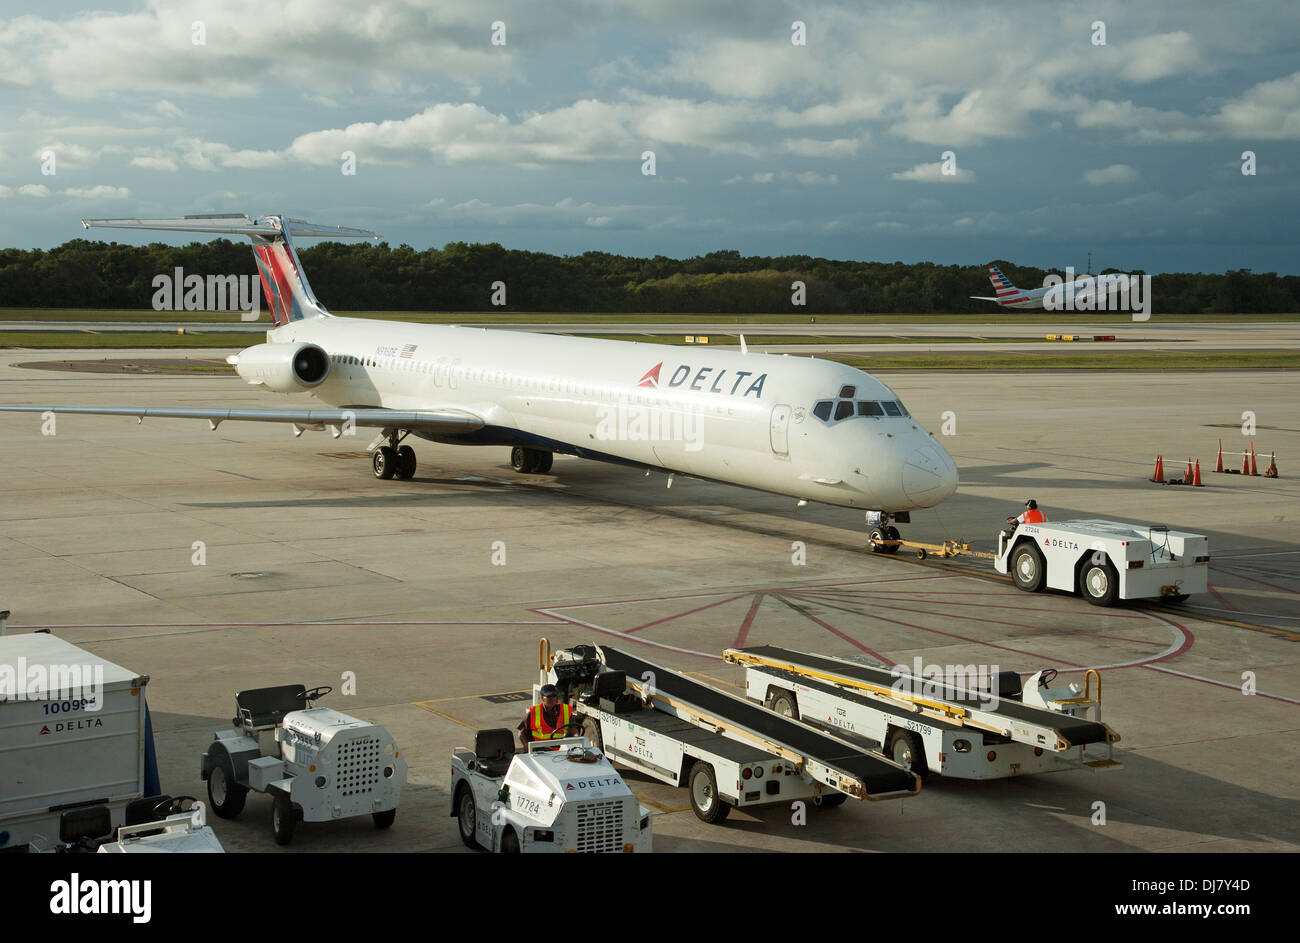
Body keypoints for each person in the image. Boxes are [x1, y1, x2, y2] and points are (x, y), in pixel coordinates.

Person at [518, 684, 582, 746]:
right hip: (540, 751)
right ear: (542, 698)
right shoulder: (533, 712)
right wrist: (526, 745)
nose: (552, 699)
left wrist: (576, 738)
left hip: (562, 751)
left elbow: (573, 730)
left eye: (554, 696)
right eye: (548, 696)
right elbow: (521, 733)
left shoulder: (565, 710)